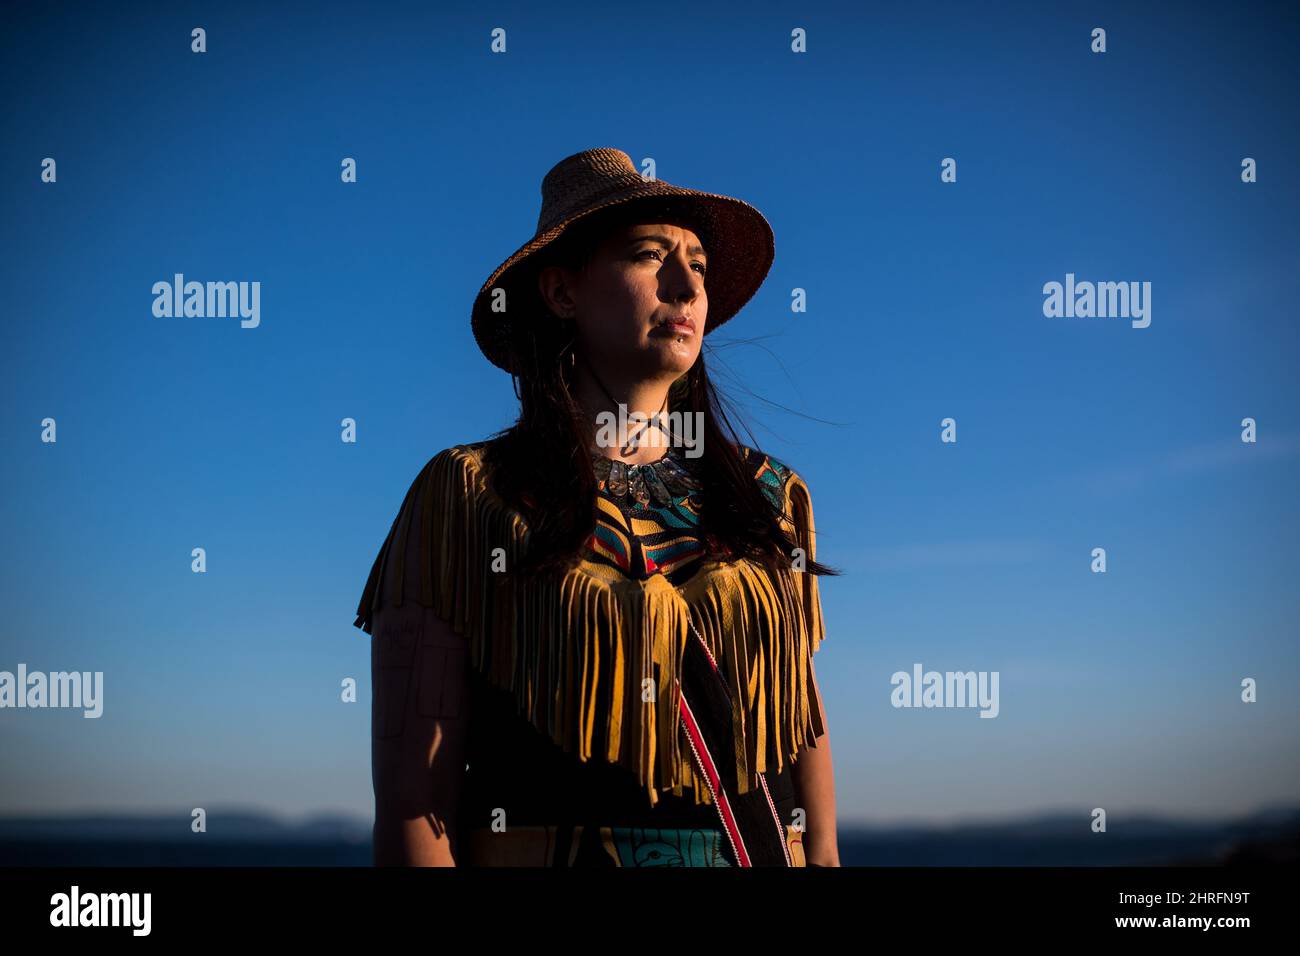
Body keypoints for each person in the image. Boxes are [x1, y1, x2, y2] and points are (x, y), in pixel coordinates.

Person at [354, 147, 841, 867]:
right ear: (561, 293)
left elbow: (796, 721)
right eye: (649, 256)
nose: (685, 286)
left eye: (700, 266)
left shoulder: (771, 496)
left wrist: (824, 853)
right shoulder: (469, 492)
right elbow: (412, 808)